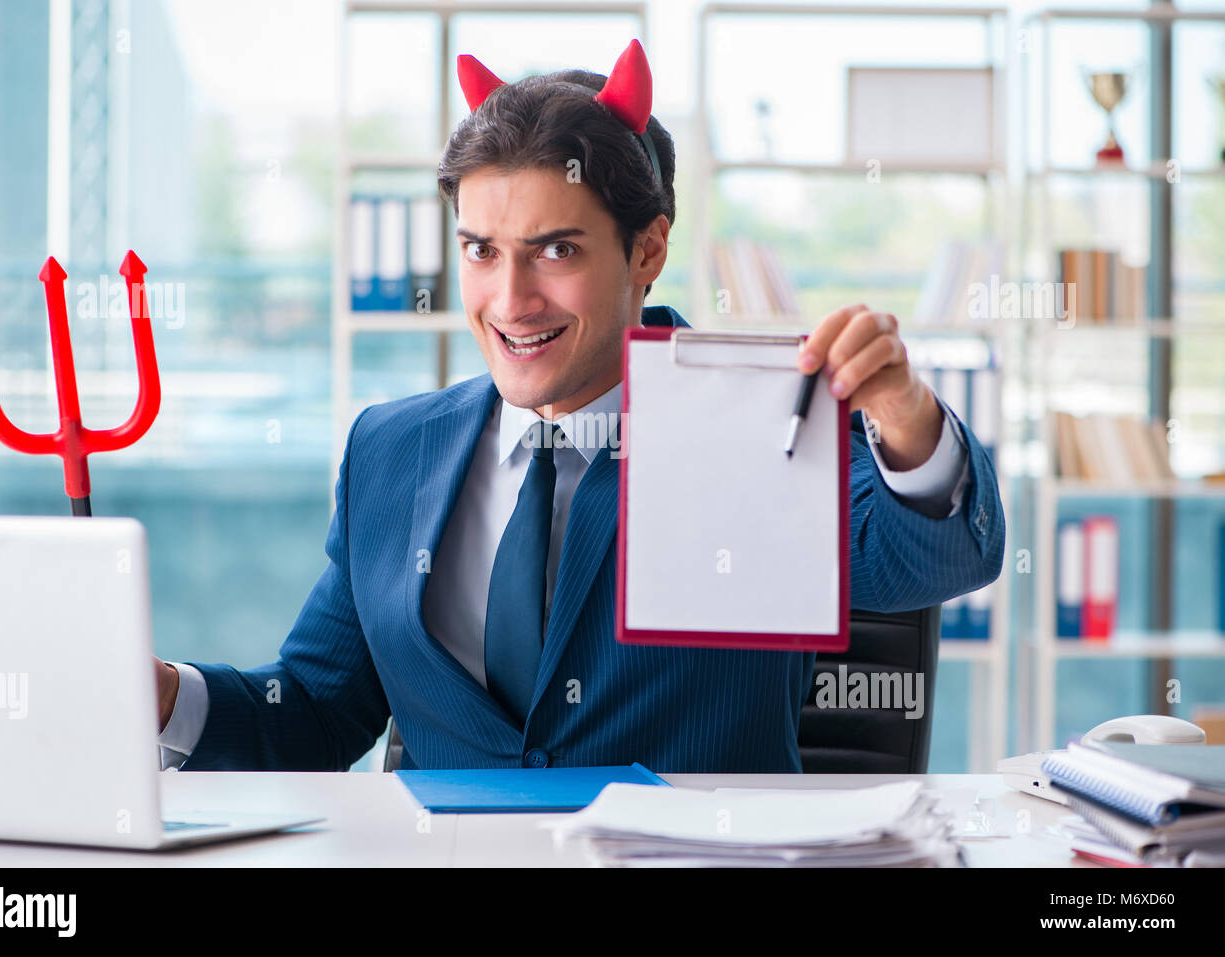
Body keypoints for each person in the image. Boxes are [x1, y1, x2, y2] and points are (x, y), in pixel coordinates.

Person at [153, 40, 1004, 772]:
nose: (511, 298)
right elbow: (310, 707)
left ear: (649, 250)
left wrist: (903, 413)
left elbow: (928, 558)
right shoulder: (390, 449)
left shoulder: (754, 419)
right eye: (481, 251)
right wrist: (157, 696)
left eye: (555, 250)